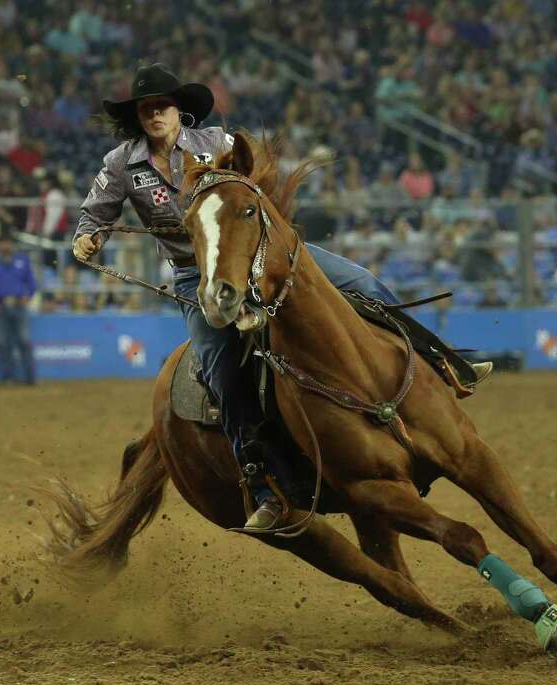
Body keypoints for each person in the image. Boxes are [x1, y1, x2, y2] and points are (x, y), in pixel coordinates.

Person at [73, 63, 490, 531]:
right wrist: (87, 237)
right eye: (146, 109)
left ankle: (442, 362)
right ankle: (259, 481)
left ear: (178, 111)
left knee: (364, 284)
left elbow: (262, 190)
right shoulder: (120, 165)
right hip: (198, 276)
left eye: (162, 106)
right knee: (220, 369)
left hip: (264, 250)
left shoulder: (220, 145)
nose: (155, 115)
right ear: (137, 116)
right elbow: (95, 214)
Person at [0, 233, 37, 385]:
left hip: (19, 304)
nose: (6, 245)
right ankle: (8, 377)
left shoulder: (22, 261)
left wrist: (28, 295)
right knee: (1, 342)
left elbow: (31, 283)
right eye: (3, 242)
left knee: (24, 340)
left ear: (12, 244)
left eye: (8, 242)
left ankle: (30, 378)